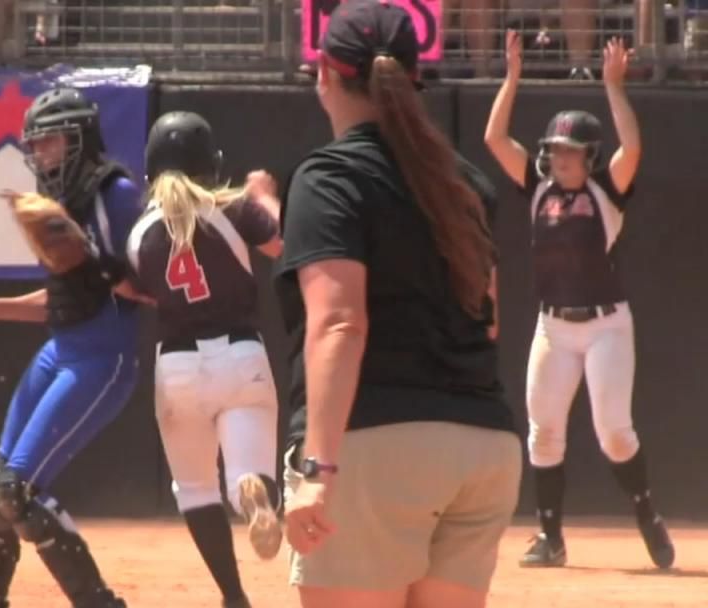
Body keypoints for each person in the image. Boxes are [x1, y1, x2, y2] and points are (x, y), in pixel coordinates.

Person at [275, 2, 521, 607]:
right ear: (415, 79)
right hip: (482, 448)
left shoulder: (328, 177)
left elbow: (339, 322)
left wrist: (316, 471)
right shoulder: (466, 182)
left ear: (325, 76)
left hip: (376, 447)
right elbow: (488, 319)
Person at [0, 86, 146, 608]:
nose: (41, 155)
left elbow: (152, 287)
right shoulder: (65, 204)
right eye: (35, 146)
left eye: (50, 143)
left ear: (80, 141)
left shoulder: (115, 194)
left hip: (103, 358)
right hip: (62, 351)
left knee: (18, 489)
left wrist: (99, 262)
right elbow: (60, 301)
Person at [484, 30, 675, 569]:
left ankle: (646, 514)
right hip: (554, 327)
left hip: (607, 324)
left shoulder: (605, 190)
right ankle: (551, 539)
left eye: (570, 152)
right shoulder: (539, 189)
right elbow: (496, 138)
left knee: (614, 432)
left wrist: (614, 87)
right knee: (543, 432)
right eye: (555, 150)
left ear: (589, 157)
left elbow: (632, 148)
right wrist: (513, 77)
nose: (560, 158)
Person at [124, 111, 283, 608]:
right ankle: (252, 490)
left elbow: (142, 293)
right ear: (209, 164)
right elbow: (286, 243)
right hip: (242, 356)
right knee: (247, 475)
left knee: (193, 489)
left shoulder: (141, 234)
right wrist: (264, 196)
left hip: (178, 369)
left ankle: (233, 596)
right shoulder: (235, 209)